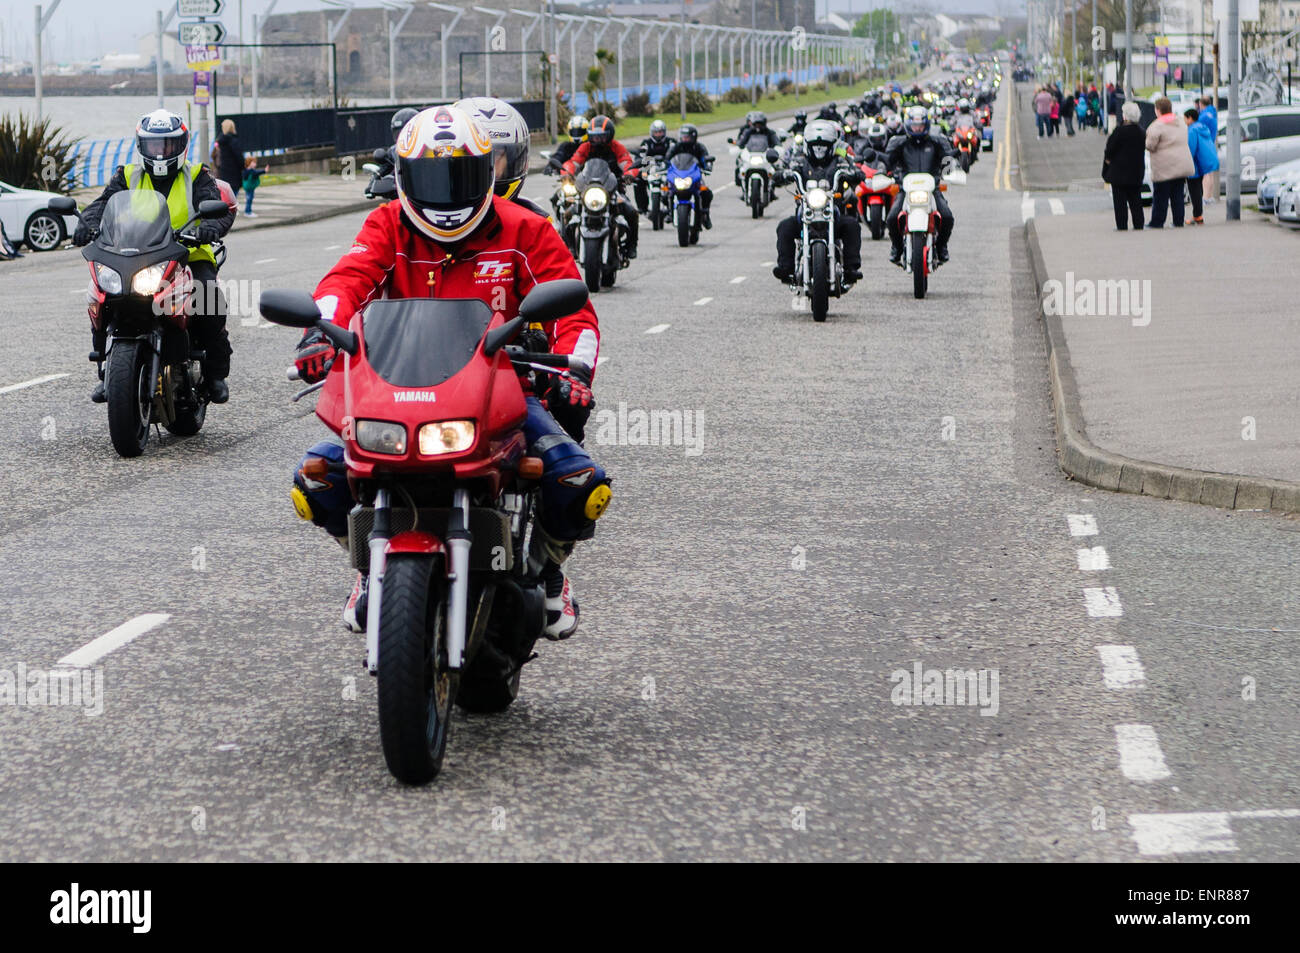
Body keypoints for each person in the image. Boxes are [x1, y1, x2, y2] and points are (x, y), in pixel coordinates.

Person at [292, 105, 606, 640]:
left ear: (486, 173)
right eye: (431, 178)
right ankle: (372, 565)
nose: (445, 192)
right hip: (393, 390)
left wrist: (575, 366)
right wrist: (322, 328)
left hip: (502, 389)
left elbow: (573, 309)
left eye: (458, 175)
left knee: (578, 483)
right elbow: (347, 280)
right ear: (405, 177)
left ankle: (549, 565)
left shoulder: (525, 228)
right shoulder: (387, 223)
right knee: (316, 480)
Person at [75, 109, 233, 404]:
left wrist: (210, 227)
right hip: (136, 253)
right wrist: (87, 225)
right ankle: (108, 367)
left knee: (209, 297)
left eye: (168, 145)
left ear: (181, 145)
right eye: (154, 146)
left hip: (189, 253)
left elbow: (215, 206)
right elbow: (102, 204)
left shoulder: (197, 175)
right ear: (142, 146)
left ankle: (215, 373)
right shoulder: (127, 175)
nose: (160, 153)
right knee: (102, 295)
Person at [771, 119, 863, 285]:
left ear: (832, 144)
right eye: (815, 144)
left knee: (852, 225)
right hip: (805, 212)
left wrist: (855, 172)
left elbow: (854, 168)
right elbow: (785, 169)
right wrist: (781, 175)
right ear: (808, 144)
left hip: (833, 212)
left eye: (823, 144)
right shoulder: (800, 162)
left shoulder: (840, 161)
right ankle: (786, 268)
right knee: (784, 227)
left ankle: (851, 269)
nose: (819, 149)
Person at [453, 97, 548, 219]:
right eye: (474, 156)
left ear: (512, 159)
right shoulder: (431, 221)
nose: (487, 165)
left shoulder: (535, 223)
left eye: (497, 154)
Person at [882, 105, 955, 264]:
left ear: (926, 125)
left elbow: (948, 159)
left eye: (920, 125)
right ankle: (897, 247)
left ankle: (942, 246)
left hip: (931, 189)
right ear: (908, 125)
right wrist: (884, 171)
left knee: (947, 216)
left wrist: (951, 169)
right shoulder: (899, 143)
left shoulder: (937, 142)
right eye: (914, 125)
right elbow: (888, 161)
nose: (917, 128)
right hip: (906, 189)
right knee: (892, 218)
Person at [560, 114, 639, 258]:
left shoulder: (616, 147)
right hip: (588, 189)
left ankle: (631, 246)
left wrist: (629, 173)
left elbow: (626, 161)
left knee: (632, 212)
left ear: (610, 135)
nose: (598, 140)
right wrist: (567, 172)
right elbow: (574, 162)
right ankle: (570, 247)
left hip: (612, 190)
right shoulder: (585, 147)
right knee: (567, 215)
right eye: (595, 137)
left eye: (602, 136)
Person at [1145, 95, 1195, 228]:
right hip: (1180, 165)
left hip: (1164, 167)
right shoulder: (1180, 123)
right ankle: (1178, 221)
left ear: (1157, 110)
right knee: (1177, 195)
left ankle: (1157, 222)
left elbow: (1150, 145)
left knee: (1160, 197)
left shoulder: (1156, 126)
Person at [1103, 101, 1146, 230]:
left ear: (1125, 116)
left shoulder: (1119, 132)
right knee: (1136, 200)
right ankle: (1139, 224)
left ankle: (1122, 225)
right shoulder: (1141, 132)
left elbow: (1109, 150)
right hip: (1136, 171)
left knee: (1120, 202)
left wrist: (1108, 162)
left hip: (1119, 172)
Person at [664, 123, 714, 228]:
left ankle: (705, 214)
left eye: (687, 137)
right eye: (683, 137)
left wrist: (708, 165)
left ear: (693, 137)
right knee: (665, 191)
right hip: (678, 175)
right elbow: (668, 158)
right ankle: (668, 211)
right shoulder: (676, 147)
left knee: (706, 193)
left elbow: (705, 158)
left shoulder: (699, 147)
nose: (685, 139)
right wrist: (664, 165)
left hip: (693, 176)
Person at [1184, 107, 1218, 225]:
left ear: (1189, 118)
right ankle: (1198, 214)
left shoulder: (1192, 130)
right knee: (1198, 189)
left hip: (1194, 165)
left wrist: (1185, 161)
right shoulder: (1203, 128)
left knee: (1194, 191)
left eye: (1185, 119)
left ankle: (1197, 216)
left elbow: (1191, 148)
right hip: (1201, 163)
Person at [633, 118, 675, 210]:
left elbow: (679, 154)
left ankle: (674, 205)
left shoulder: (671, 142)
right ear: (652, 132)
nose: (658, 135)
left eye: (661, 132)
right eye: (656, 132)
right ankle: (642, 206)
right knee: (638, 179)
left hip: (668, 169)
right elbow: (640, 155)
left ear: (664, 132)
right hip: (651, 169)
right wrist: (639, 161)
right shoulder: (646, 143)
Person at [212, 118, 244, 199]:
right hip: (234, 175)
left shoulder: (220, 142)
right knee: (233, 198)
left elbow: (214, 156)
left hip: (223, 174)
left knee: (225, 199)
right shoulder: (233, 141)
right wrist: (243, 165)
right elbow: (239, 158)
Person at [1198, 95, 1219, 201]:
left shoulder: (1203, 116)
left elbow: (1197, 129)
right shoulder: (1213, 114)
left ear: (1201, 104)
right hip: (1211, 143)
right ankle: (1209, 196)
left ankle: (1205, 197)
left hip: (1204, 145)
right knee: (1210, 172)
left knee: (1206, 172)